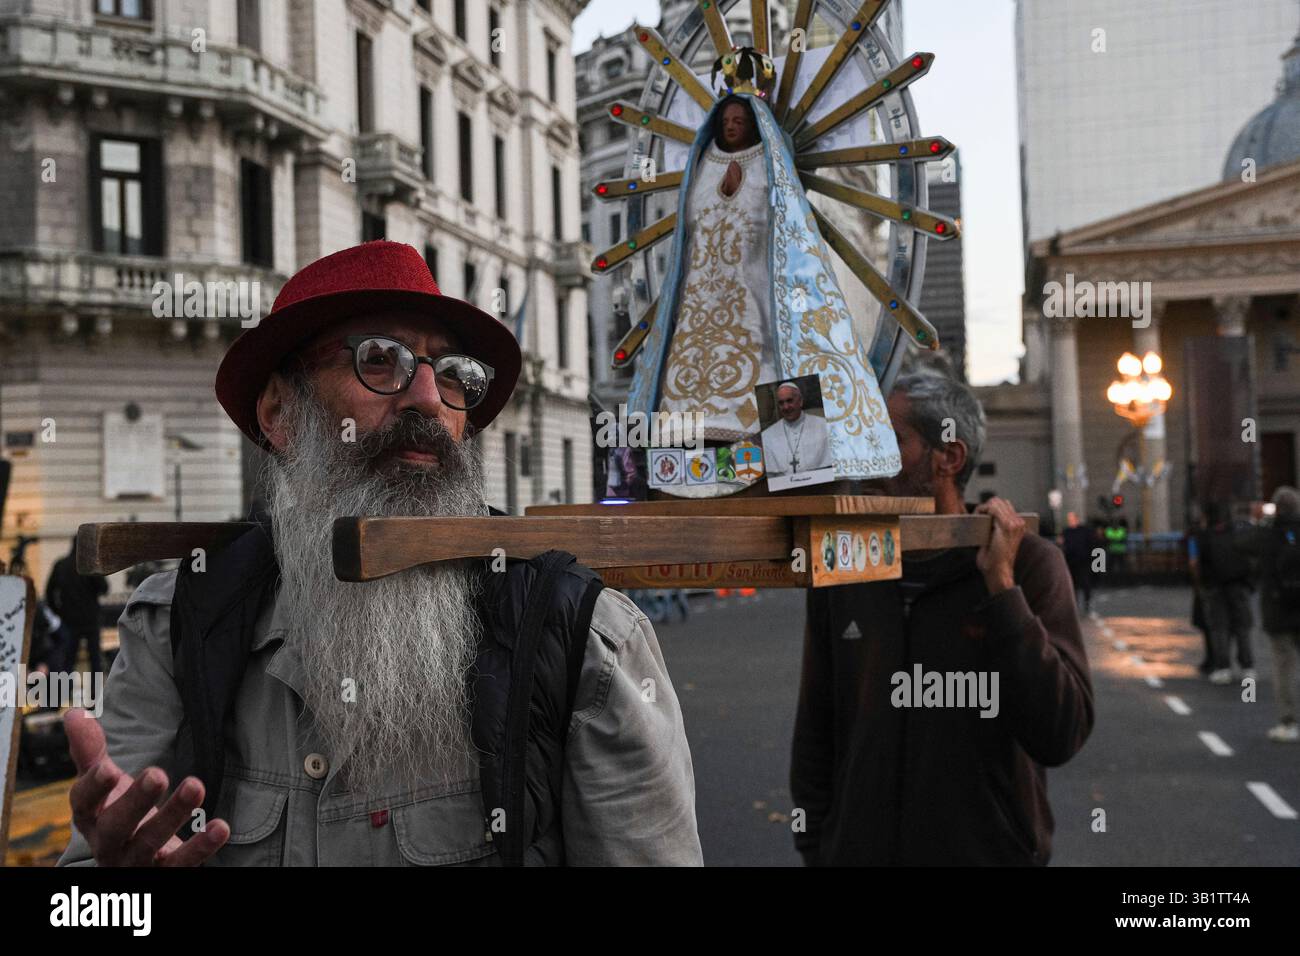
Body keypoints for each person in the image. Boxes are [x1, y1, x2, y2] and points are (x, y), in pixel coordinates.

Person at [59, 241, 702, 867]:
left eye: (453, 374)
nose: (427, 400)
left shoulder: (584, 639)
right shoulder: (175, 626)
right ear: (281, 411)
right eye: (379, 360)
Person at [791, 364, 1094, 865]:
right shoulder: (845, 561)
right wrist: (821, 849)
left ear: (948, 457)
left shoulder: (1031, 564)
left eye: (889, 441)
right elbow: (816, 729)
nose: (866, 460)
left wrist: (1002, 591)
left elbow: (1060, 732)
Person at [626, 60, 899, 496]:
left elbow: (783, 226)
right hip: (701, 297)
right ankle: (682, 462)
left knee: (764, 362)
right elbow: (692, 228)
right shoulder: (704, 166)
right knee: (687, 381)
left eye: (740, 121)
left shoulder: (770, 167)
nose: (732, 127)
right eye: (726, 120)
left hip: (754, 290)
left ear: (755, 125)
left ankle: (768, 449)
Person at [1236, 487, 1300, 741]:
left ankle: (1289, 722)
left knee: (1284, 667)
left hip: (1278, 609)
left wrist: (1259, 519)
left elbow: (1240, 543)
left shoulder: (1268, 533)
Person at [1192, 501, 1255, 685]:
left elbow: (1198, 563)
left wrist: (1202, 585)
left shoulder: (1205, 536)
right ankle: (1247, 667)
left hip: (1214, 588)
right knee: (1242, 627)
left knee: (1220, 628)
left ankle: (1223, 667)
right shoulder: (1239, 532)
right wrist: (1249, 583)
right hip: (1238, 586)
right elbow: (1250, 558)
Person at [44, 536, 108, 674]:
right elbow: (104, 588)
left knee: (68, 659)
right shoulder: (90, 566)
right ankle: (95, 692)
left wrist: (59, 612)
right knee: (95, 659)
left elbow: (49, 593)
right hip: (91, 619)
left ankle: (66, 690)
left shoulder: (61, 565)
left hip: (69, 619)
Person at [761, 381, 832, 476]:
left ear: (800, 401)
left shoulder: (824, 425)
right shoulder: (767, 436)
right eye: (781, 403)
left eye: (790, 401)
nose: (786, 407)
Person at [1059, 512, 1097, 612]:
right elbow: (1062, 544)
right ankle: (1074, 604)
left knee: (1085, 582)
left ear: (1076, 519)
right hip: (1071, 561)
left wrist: (1091, 557)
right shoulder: (1066, 531)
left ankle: (1087, 602)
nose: (1070, 521)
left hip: (1083, 561)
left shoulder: (1084, 531)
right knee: (1072, 584)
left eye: (1072, 519)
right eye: (1069, 519)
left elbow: (1091, 544)